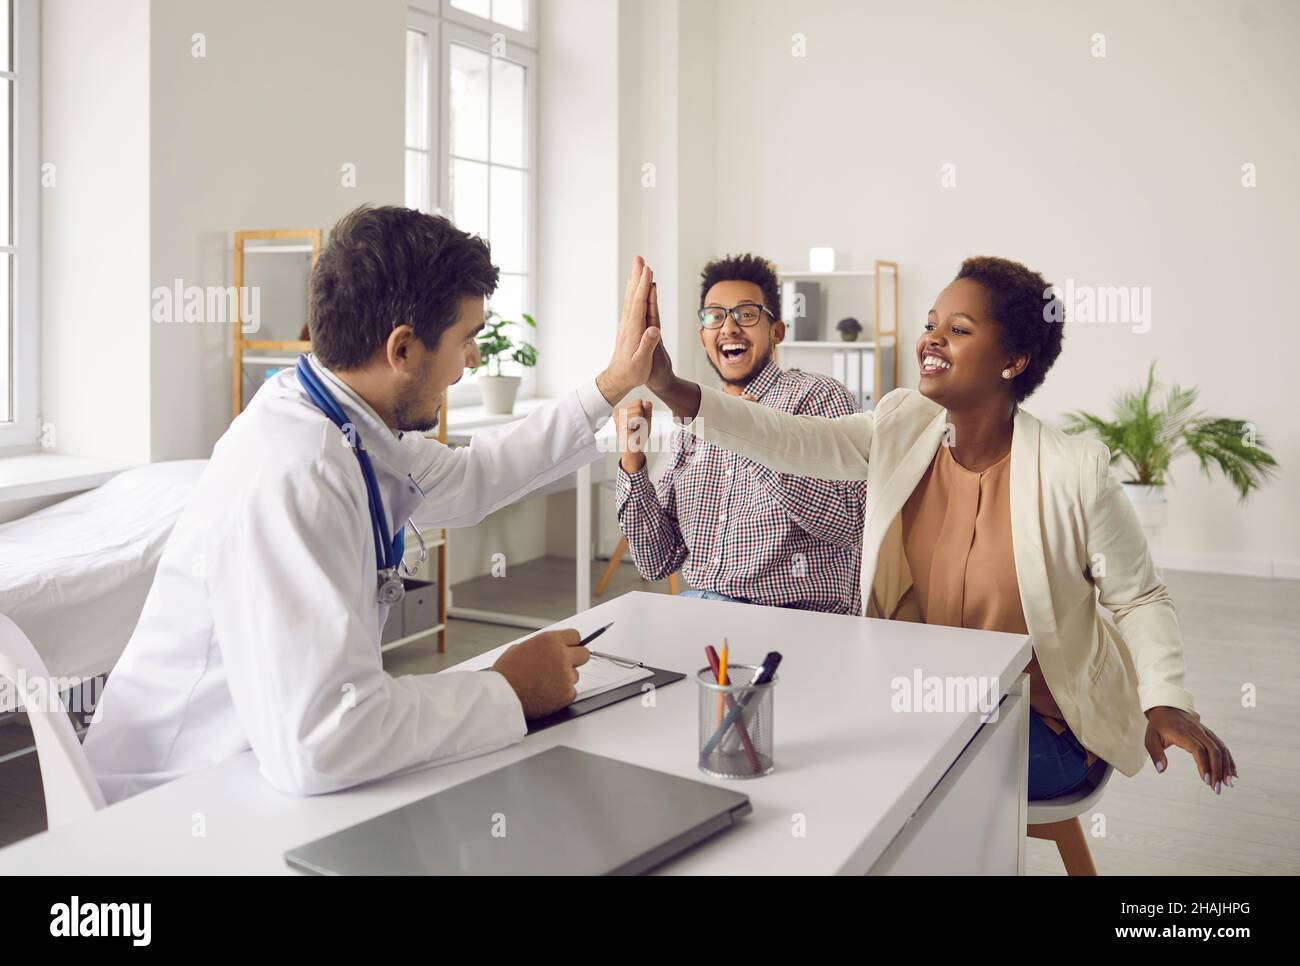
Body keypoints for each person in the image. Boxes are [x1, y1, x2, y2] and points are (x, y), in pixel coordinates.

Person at [84, 205, 661, 801]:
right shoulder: (297, 470)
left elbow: (474, 476)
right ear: (403, 350)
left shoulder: (341, 420)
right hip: (170, 798)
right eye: (465, 342)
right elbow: (324, 738)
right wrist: (507, 687)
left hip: (258, 766)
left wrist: (612, 383)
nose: (470, 365)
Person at [643, 255, 1237, 798]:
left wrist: (1165, 701)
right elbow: (792, 440)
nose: (931, 338)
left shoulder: (1073, 470)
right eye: (932, 323)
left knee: (883, 774)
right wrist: (673, 388)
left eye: (958, 329)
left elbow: (1140, 597)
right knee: (804, 743)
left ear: (1013, 360)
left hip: (1036, 719)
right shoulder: (903, 425)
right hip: (914, 702)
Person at [614, 254, 865, 613]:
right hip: (700, 612)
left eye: (746, 314)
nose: (729, 328)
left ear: (776, 331)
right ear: (704, 337)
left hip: (796, 617)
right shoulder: (693, 423)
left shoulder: (818, 396)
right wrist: (632, 461)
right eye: (715, 316)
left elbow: (848, 523)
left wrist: (749, 434)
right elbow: (656, 561)